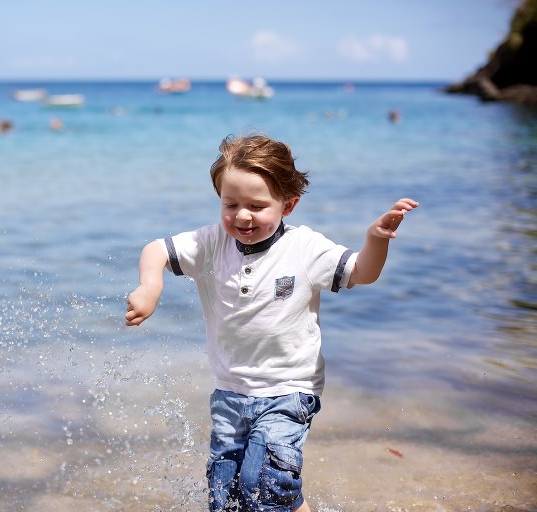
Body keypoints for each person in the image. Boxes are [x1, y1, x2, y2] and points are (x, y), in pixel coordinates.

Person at [125, 134, 419, 512]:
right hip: (230, 391)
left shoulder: (304, 248)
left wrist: (376, 239)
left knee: (266, 484)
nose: (242, 215)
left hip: (289, 389)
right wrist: (151, 286)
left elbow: (362, 272)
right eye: (230, 204)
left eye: (257, 206)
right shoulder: (212, 242)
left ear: (289, 205)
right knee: (226, 493)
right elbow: (156, 250)